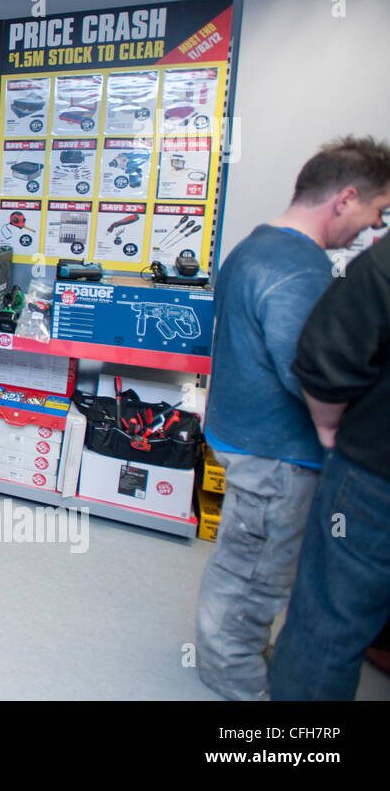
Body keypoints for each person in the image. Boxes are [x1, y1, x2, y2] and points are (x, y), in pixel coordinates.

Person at [195, 135, 390, 701]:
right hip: (278, 450)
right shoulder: (299, 271)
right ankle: (238, 681)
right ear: (345, 198)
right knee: (254, 574)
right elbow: (310, 372)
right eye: (376, 213)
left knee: (242, 558)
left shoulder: (254, 245)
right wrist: (335, 429)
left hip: (246, 435)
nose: (372, 230)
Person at [270, 207, 390, 700]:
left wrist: (326, 425)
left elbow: (322, 362)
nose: (374, 226)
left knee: (329, 618)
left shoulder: (379, 265)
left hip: (372, 469)